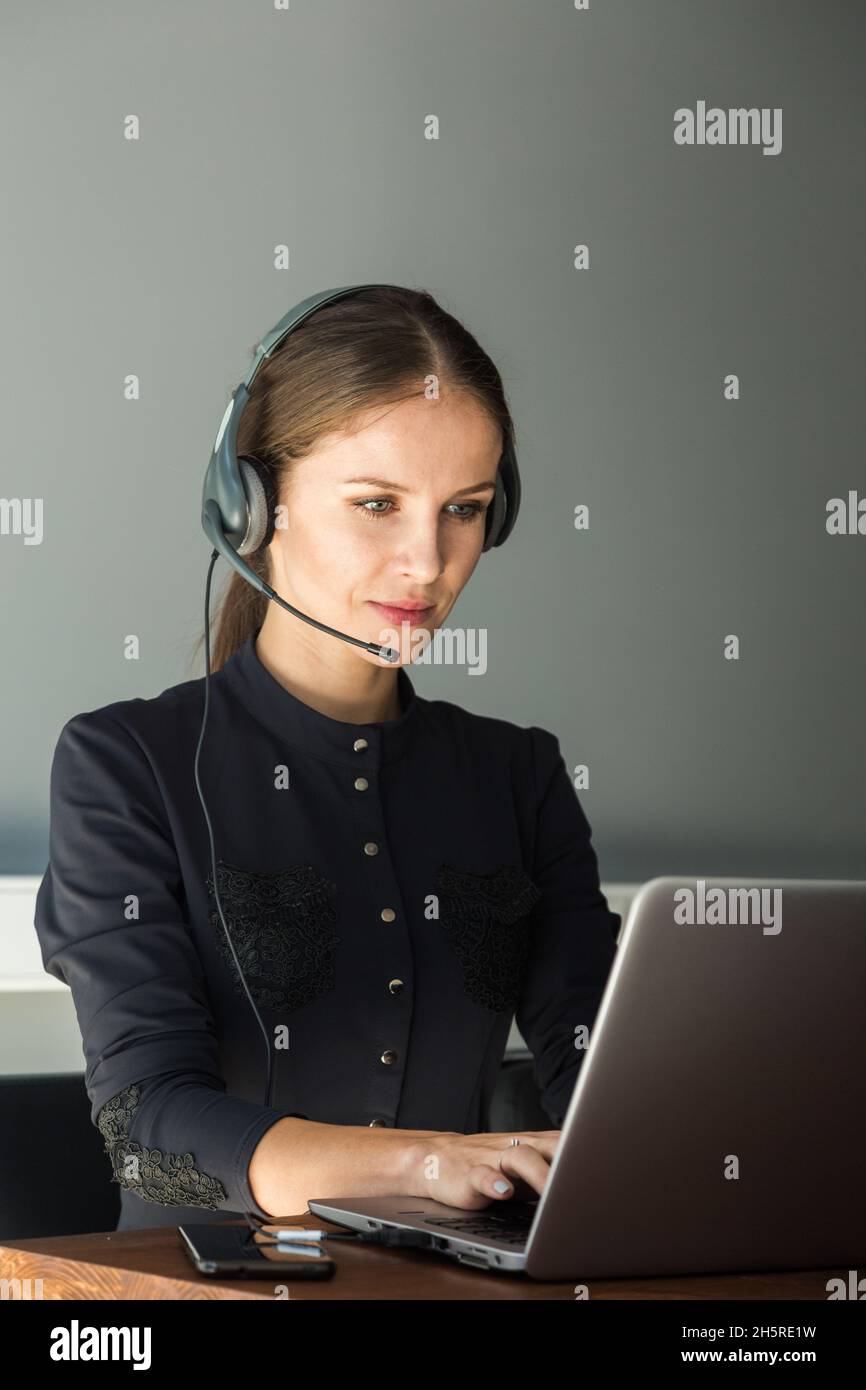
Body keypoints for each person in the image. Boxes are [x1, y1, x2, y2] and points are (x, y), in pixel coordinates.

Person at [33, 285, 620, 1230]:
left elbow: (604, 1079)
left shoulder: (520, 777)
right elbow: (150, 1134)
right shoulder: (125, 763)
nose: (427, 563)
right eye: (377, 504)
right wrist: (429, 1163)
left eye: (464, 510)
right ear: (256, 507)